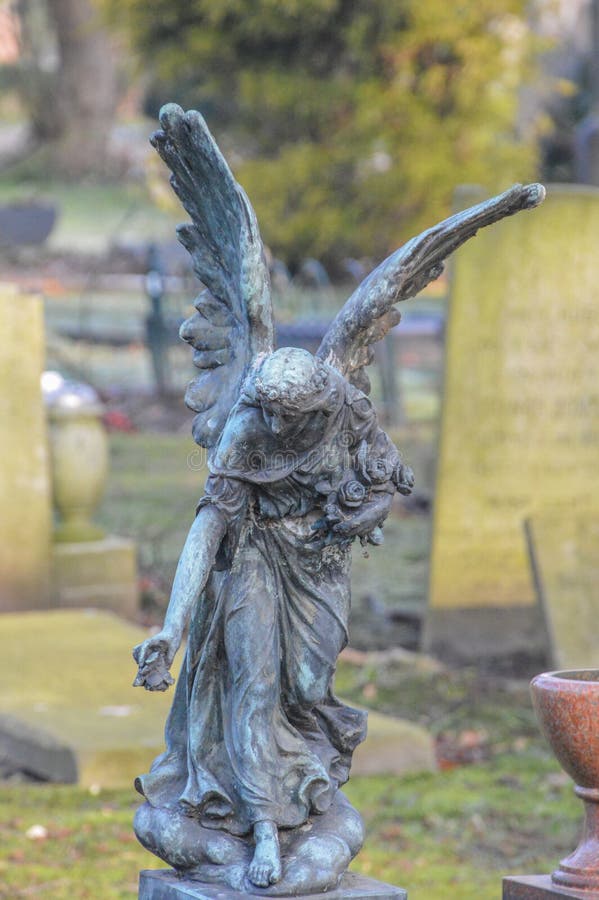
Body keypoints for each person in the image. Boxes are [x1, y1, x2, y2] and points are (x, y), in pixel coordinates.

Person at [133, 347, 411, 887]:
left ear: (317, 407)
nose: (276, 425)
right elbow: (208, 524)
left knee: (307, 688)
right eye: (269, 411)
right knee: (254, 684)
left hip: (318, 557)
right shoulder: (247, 427)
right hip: (252, 549)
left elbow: (383, 488)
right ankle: (263, 823)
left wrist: (361, 516)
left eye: (288, 415)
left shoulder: (349, 411)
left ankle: (301, 789)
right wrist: (173, 626)